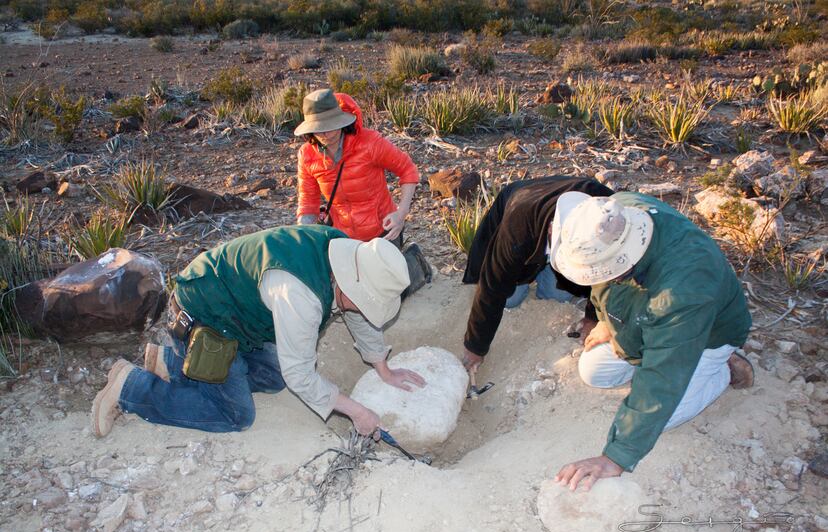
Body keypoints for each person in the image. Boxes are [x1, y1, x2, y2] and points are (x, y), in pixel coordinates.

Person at [90, 225, 426, 438]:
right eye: (366, 301)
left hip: (238, 313)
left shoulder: (345, 254)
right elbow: (301, 376)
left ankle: (172, 364)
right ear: (352, 286)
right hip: (204, 313)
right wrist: (357, 411)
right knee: (236, 415)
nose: (364, 309)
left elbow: (357, 314)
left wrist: (382, 366)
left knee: (275, 376)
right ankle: (130, 387)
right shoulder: (301, 296)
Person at [550, 193, 754, 491]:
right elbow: (602, 280)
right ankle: (652, 358)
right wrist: (607, 321)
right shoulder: (614, 214)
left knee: (664, 416)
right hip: (643, 319)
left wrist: (615, 457)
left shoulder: (684, 289)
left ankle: (721, 369)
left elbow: (662, 376)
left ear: (624, 260)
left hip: (707, 334)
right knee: (594, 371)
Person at [460, 176, 614, 377]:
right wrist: (475, 348)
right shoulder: (518, 222)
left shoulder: (607, 214)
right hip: (522, 214)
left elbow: (608, 269)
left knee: (557, 295)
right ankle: (536, 266)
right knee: (510, 298)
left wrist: (593, 316)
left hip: (556, 234)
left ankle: (547, 268)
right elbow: (492, 285)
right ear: (552, 230)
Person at [293, 88, 430, 292]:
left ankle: (414, 262)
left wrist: (401, 214)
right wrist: (304, 235)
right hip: (343, 237)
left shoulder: (369, 143)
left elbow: (408, 170)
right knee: (349, 294)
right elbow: (308, 202)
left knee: (387, 294)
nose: (325, 134)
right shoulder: (307, 155)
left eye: (330, 126)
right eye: (318, 128)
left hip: (382, 232)